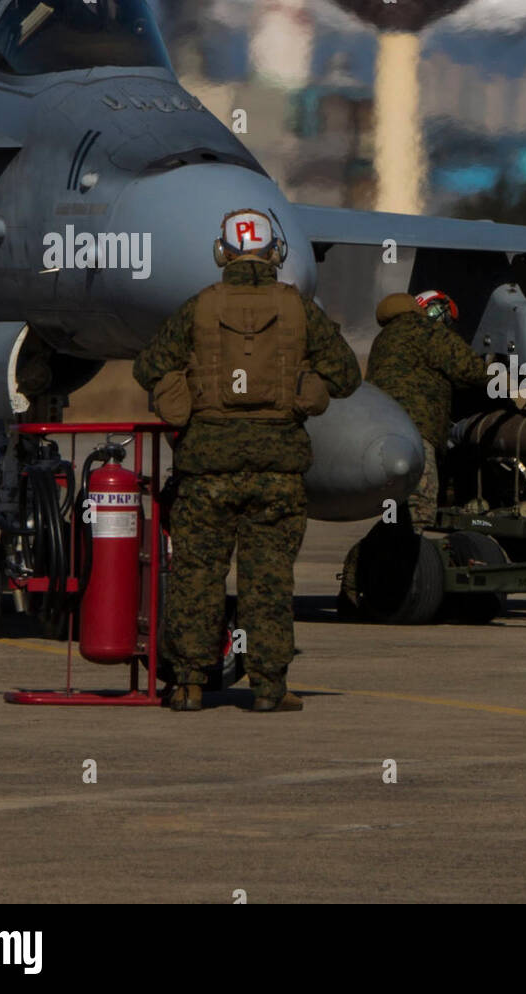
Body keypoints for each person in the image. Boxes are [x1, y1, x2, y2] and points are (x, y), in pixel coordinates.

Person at [133, 210, 360, 712]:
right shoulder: (299, 310)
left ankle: (189, 684)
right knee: (269, 580)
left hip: (206, 469)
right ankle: (269, 688)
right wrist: (305, 386)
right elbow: (346, 375)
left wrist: (182, 391)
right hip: (277, 470)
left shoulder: (198, 307)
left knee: (197, 574)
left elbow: (148, 366)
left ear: (223, 253)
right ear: (275, 252)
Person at [338, 290, 487, 613]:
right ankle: (361, 574)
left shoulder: (386, 337)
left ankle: (365, 579)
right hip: (415, 435)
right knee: (418, 512)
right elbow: (472, 371)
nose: (443, 321)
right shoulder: (425, 331)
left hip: (382, 436)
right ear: (429, 310)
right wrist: (500, 369)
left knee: (400, 511)